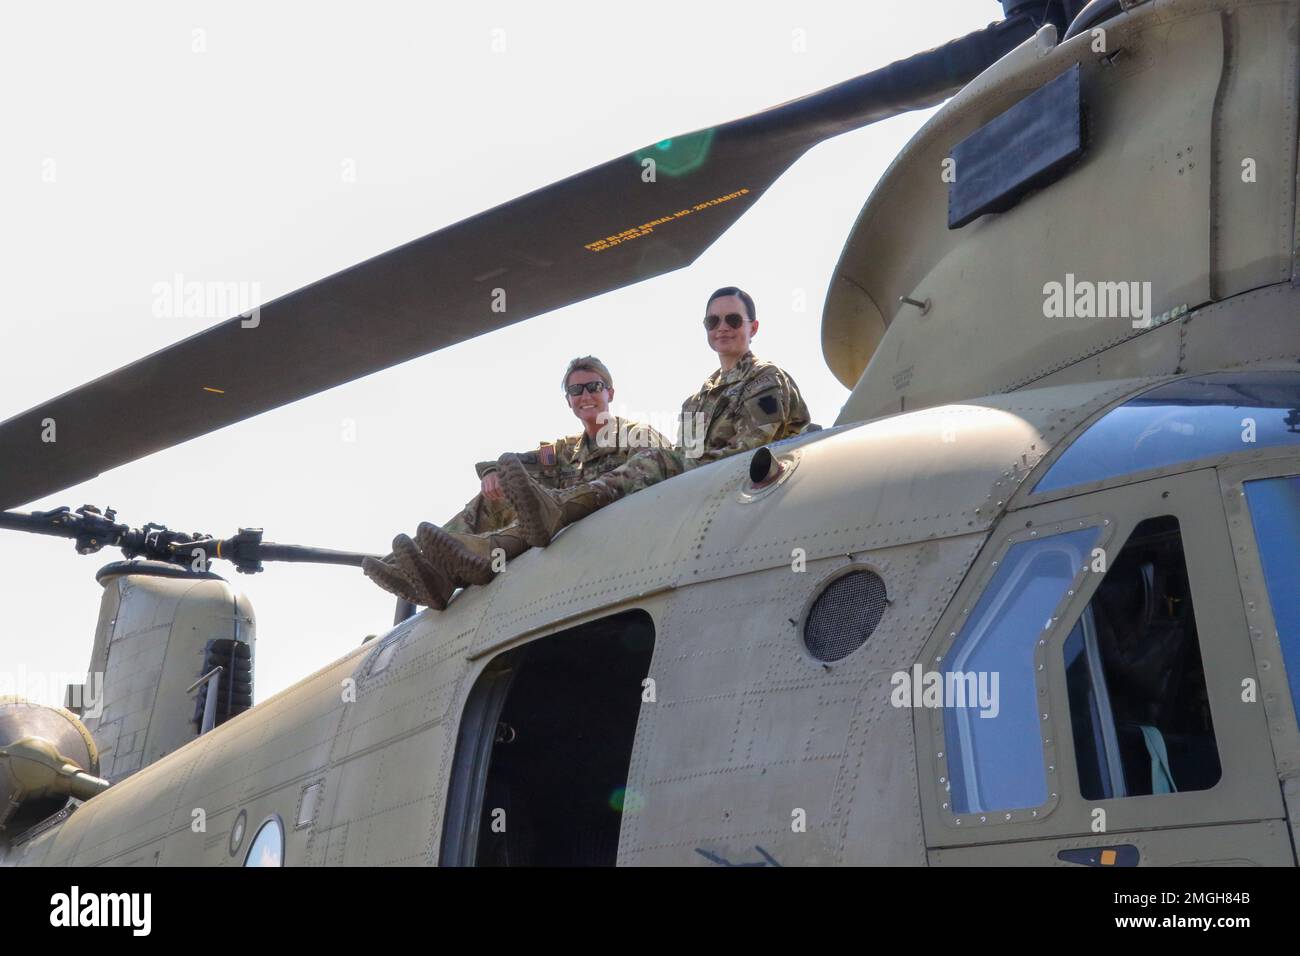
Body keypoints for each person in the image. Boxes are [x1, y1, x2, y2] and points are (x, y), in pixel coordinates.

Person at [499, 286, 811, 548]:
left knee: (655, 462)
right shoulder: (696, 401)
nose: (722, 327)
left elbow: (749, 452)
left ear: (752, 328)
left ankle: (558, 506)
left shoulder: (766, 379)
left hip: (765, 489)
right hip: (712, 492)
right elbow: (689, 456)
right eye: (713, 321)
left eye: (732, 319)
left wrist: (666, 466)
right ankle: (492, 546)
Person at [363, 356, 668, 608]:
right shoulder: (565, 450)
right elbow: (513, 464)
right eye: (576, 391)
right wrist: (492, 474)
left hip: (596, 519)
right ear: (569, 401)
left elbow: (654, 470)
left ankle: (475, 554)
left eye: (594, 387)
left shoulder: (636, 434)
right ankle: (424, 568)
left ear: (609, 393)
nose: (585, 396)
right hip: (553, 523)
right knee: (494, 495)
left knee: (534, 508)